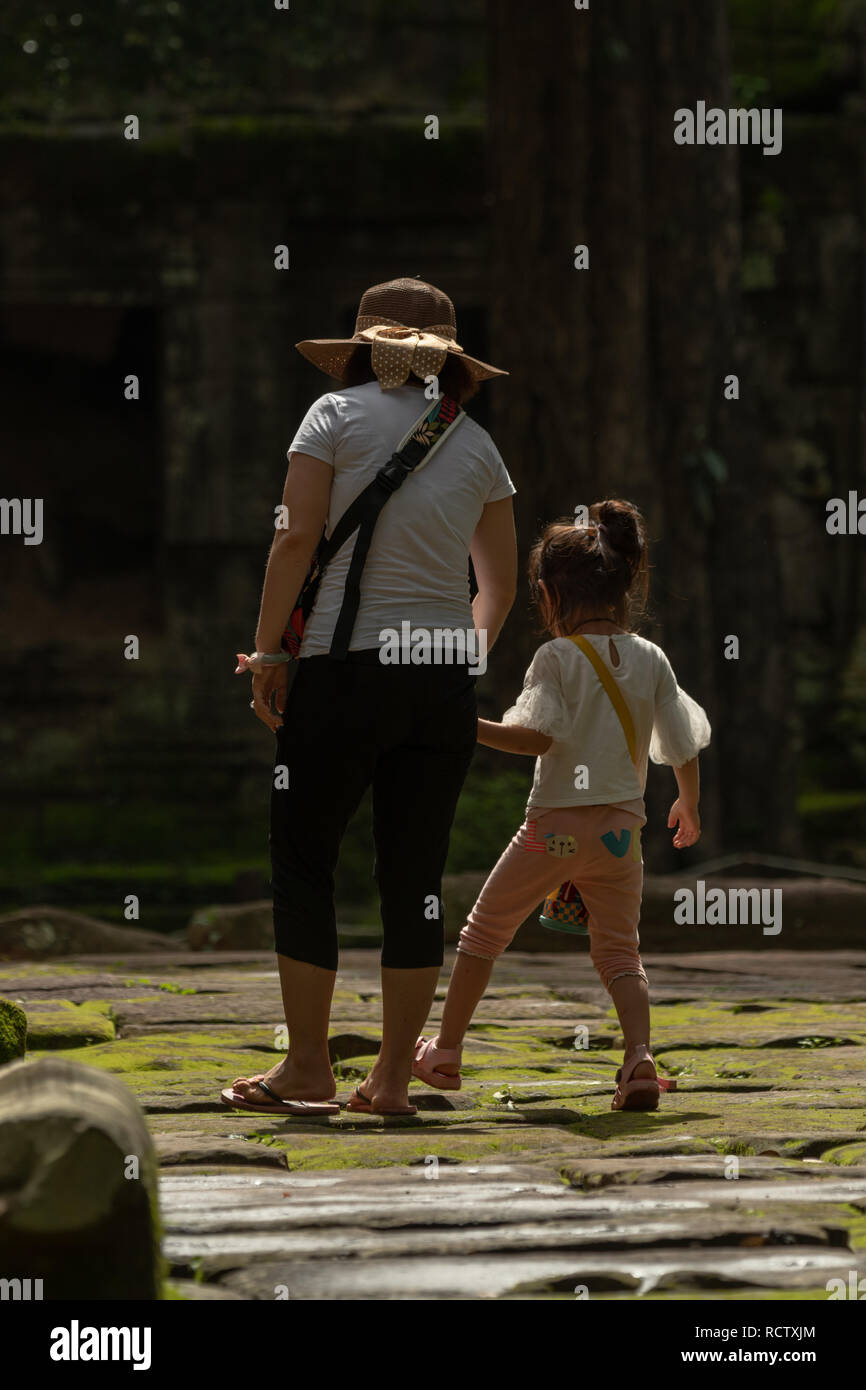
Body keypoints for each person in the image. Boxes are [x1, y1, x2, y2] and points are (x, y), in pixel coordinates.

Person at [221, 277, 517, 1116]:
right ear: (451, 363)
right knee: (414, 875)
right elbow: (495, 586)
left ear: (360, 350)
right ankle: (390, 1079)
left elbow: (294, 541)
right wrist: (465, 655)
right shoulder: (477, 444)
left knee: (305, 859)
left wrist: (271, 648)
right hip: (439, 684)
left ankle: (308, 1066)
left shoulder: (333, 417)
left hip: (344, 667)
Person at [413, 499, 712, 1112]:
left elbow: (536, 739)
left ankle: (445, 1051)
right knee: (619, 952)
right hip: (622, 832)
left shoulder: (556, 657)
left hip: (554, 829)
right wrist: (687, 802)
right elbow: (681, 742)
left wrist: (466, 725)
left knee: (482, 934)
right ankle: (638, 1061)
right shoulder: (651, 658)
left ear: (549, 596)